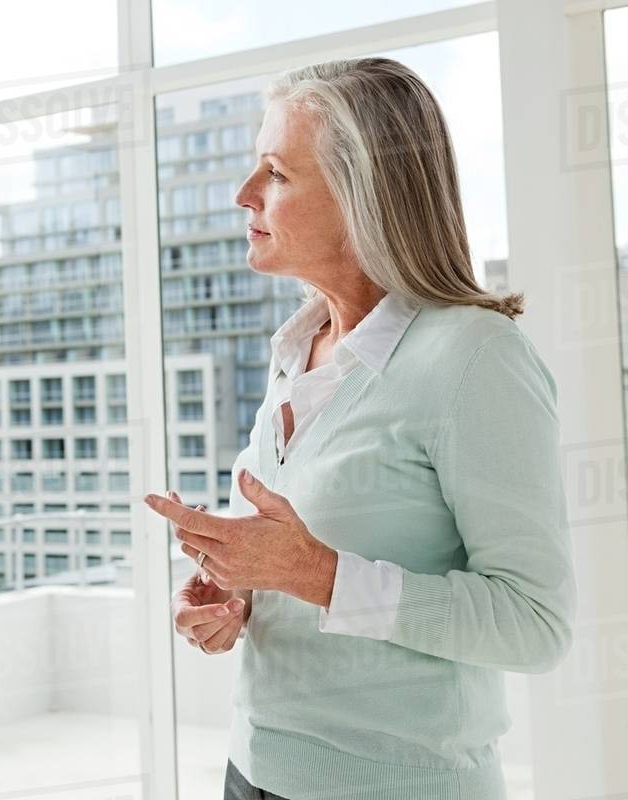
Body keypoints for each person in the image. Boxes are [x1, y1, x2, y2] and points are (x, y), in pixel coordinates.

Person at [146, 57, 575, 800]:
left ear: (361, 193)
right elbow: (313, 559)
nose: (242, 194)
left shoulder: (475, 358)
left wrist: (311, 572)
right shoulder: (296, 349)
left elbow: (535, 624)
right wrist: (240, 593)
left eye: (275, 173)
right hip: (252, 772)